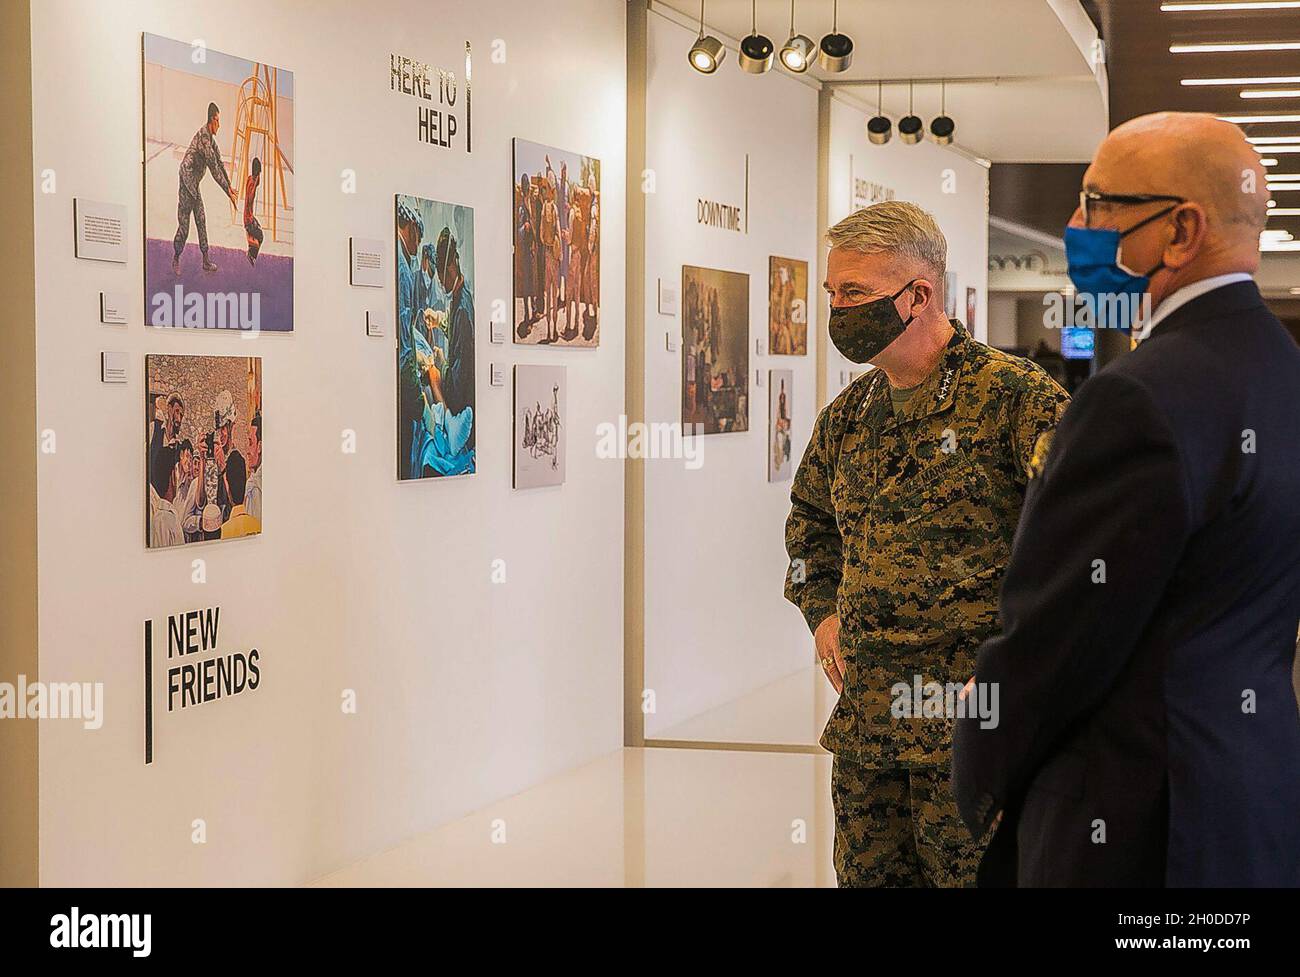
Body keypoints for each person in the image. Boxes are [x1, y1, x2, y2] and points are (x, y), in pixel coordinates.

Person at [952, 112, 1300, 887]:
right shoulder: (1282, 371)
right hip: (1252, 799)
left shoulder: (1135, 399)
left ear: (1181, 231)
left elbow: (1060, 637)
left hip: (1135, 820)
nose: (1075, 225)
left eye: (1097, 203)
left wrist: (981, 740)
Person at [783, 200, 1070, 887]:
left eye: (855, 292)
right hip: (869, 734)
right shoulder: (849, 417)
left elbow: (1081, 551)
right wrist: (822, 612)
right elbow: (808, 527)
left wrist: (1024, 667)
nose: (837, 309)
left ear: (919, 295)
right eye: (832, 292)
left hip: (975, 728)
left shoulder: (1017, 400)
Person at [172, 101, 238, 275]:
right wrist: (228, 193)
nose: (219, 125)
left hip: (194, 183)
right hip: (187, 182)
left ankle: (206, 261)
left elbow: (220, 163)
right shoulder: (204, 141)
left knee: (201, 219)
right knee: (185, 226)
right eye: (217, 120)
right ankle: (176, 258)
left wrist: (230, 187)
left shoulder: (210, 139)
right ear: (211, 120)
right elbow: (214, 170)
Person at [396, 200, 425, 473]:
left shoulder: (400, 260)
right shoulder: (403, 270)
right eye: (420, 236)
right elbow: (404, 350)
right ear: (413, 227)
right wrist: (418, 401)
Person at [243, 156, 263, 266]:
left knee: (258, 229)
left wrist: (256, 181)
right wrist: (255, 186)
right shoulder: (252, 183)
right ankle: (251, 254)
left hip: (248, 217)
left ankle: (251, 249)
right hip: (248, 220)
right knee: (260, 237)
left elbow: (256, 181)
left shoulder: (250, 178)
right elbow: (250, 199)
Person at [244, 413, 262, 523]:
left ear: (260, 447)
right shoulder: (253, 481)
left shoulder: (256, 487)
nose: (247, 451)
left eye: (250, 443)